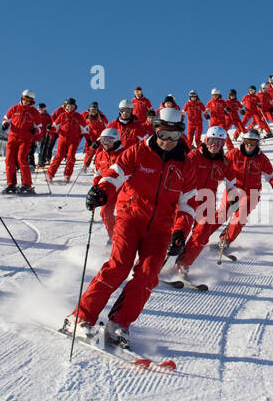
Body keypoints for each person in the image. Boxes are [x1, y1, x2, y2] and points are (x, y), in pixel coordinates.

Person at [71, 106, 195, 347]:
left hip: (160, 229)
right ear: (155, 130)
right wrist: (102, 192)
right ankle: (81, 317)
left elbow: (189, 203)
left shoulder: (185, 165)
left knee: (147, 276)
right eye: (162, 134)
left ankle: (120, 323)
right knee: (119, 266)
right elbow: (113, 175)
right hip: (131, 219)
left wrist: (181, 231)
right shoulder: (137, 152)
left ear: (181, 134)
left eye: (174, 136)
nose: (167, 141)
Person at [171, 126, 232, 278]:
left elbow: (232, 180)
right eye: (211, 141)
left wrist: (234, 193)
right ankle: (158, 262)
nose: (214, 146)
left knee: (203, 234)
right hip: (188, 199)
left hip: (207, 202)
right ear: (206, 141)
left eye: (219, 143)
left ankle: (184, 263)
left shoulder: (222, 162)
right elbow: (179, 172)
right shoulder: (193, 156)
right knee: (178, 232)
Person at [217, 129, 273, 255]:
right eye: (247, 142)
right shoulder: (234, 153)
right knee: (222, 214)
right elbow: (221, 166)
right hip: (233, 189)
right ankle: (202, 236)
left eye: (253, 142)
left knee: (240, 216)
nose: (250, 145)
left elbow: (271, 175)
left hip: (251, 193)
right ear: (243, 141)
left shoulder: (261, 158)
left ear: (257, 143)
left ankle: (225, 240)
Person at [0, 90, 42, 194]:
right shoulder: (15, 108)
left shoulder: (34, 112)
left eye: (29, 100)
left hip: (25, 139)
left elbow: (40, 128)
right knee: (9, 160)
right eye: (24, 99)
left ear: (32, 101)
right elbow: (6, 119)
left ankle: (26, 184)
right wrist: (5, 124)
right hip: (12, 138)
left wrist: (34, 130)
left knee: (21, 158)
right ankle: (11, 184)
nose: (26, 102)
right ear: (21, 98)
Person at [88, 126, 125, 239]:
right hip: (107, 190)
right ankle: (113, 237)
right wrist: (95, 189)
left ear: (116, 140)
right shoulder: (100, 155)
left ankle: (123, 239)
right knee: (105, 213)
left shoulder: (124, 153)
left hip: (123, 189)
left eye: (109, 140)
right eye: (103, 140)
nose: (106, 143)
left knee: (123, 216)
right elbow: (98, 174)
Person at [47, 98, 89, 184]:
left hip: (74, 140)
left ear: (75, 107)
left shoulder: (78, 116)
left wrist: (88, 139)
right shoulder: (62, 116)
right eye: (68, 106)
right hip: (63, 138)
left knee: (71, 156)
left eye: (72, 106)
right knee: (59, 156)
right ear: (66, 106)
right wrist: (50, 128)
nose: (70, 108)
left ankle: (67, 175)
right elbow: (55, 127)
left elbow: (85, 129)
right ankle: (50, 174)